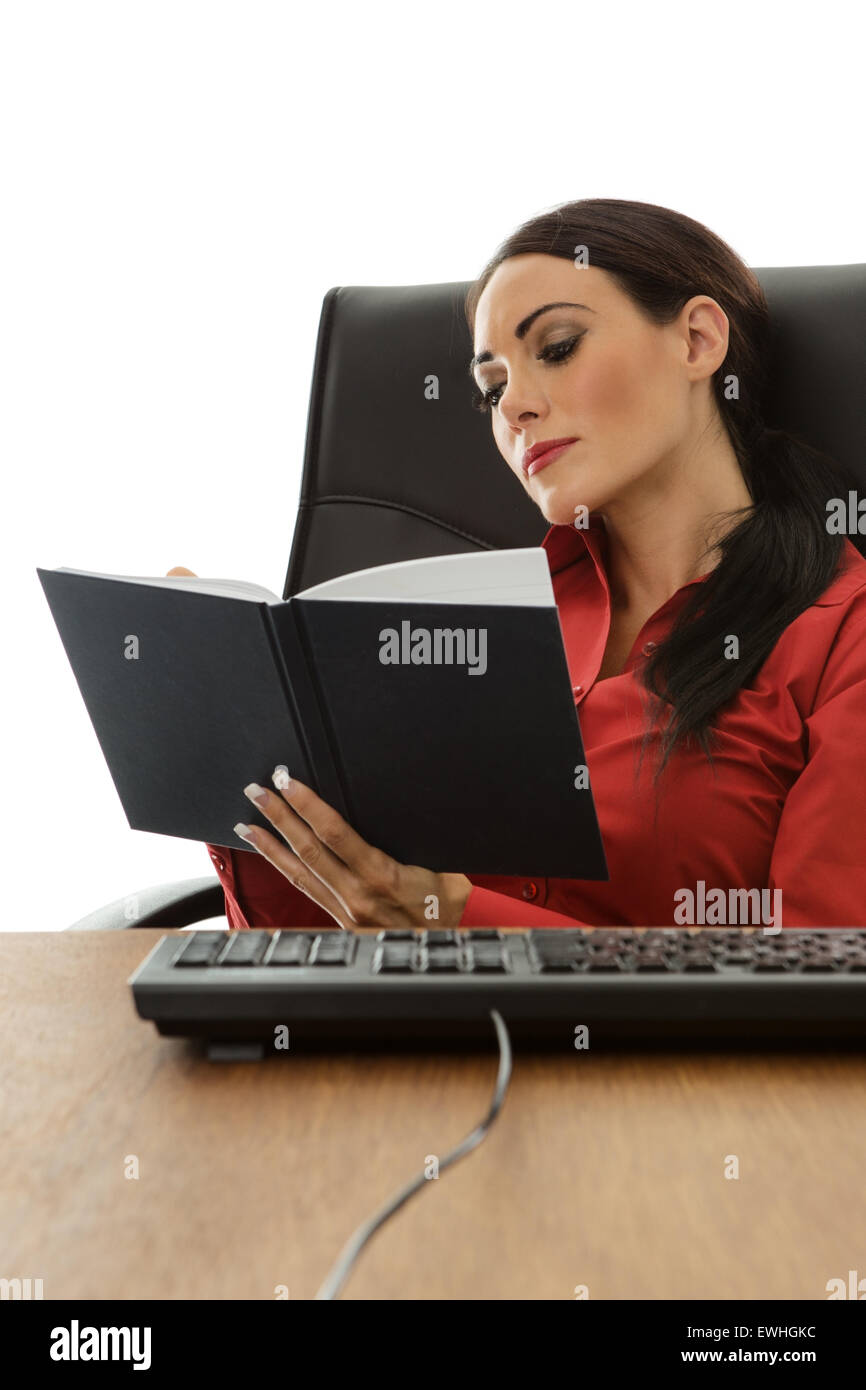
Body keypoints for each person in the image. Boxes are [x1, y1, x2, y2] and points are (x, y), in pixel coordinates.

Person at [176, 198, 866, 930]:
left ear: (697, 340)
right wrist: (233, 738)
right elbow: (324, 934)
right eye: (492, 389)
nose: (514, 409)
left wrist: (457, 923)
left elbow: (825, 976)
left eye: (558, 348)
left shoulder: (841, 637)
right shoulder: (467, 630)